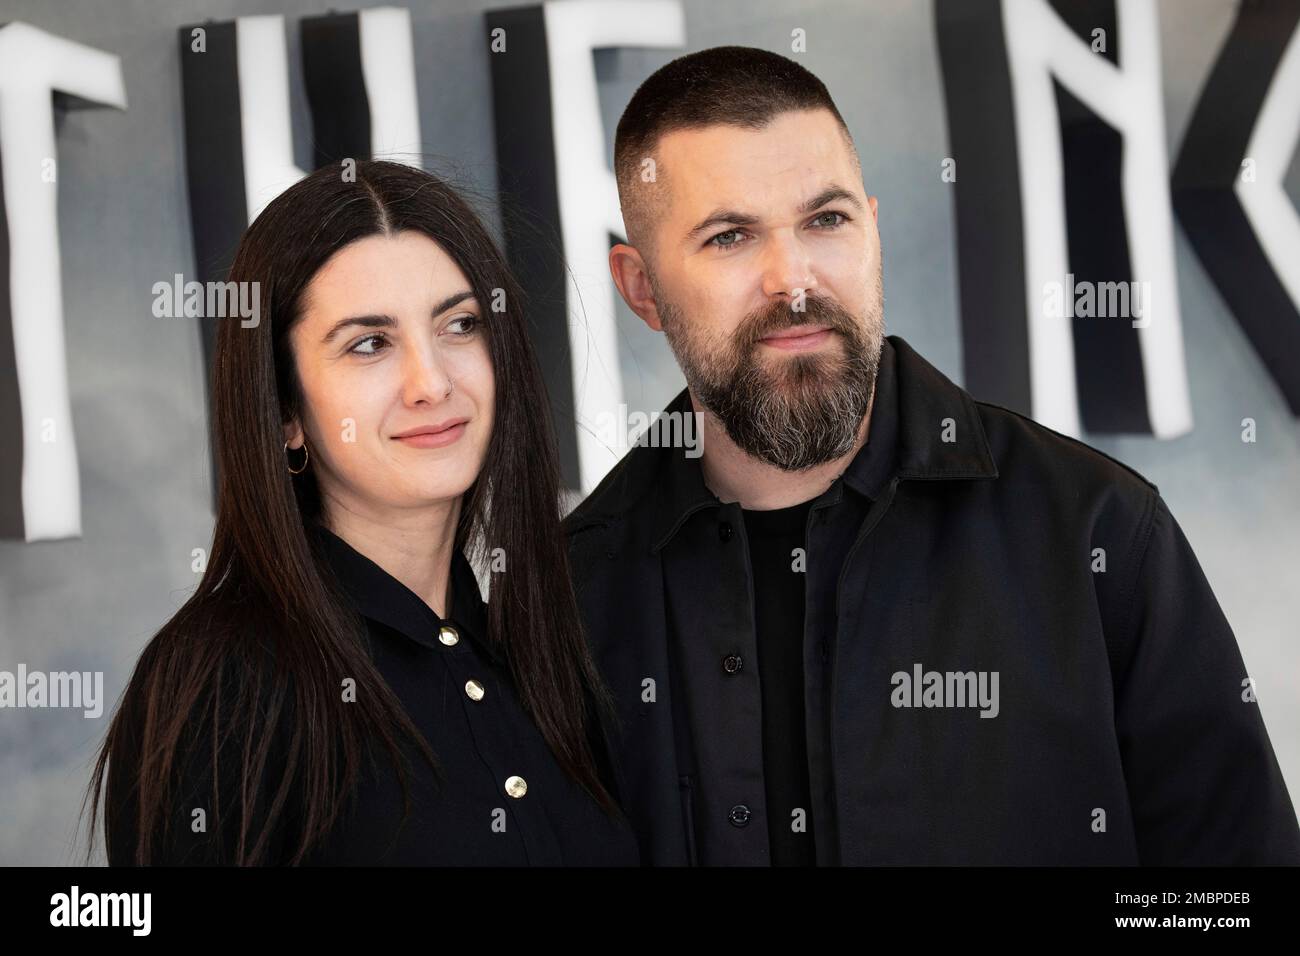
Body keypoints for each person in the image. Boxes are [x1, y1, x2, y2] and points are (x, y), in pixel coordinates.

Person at [564, 45, 1300, 865]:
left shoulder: (1095, 533)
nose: (794, 279)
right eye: (731, 236)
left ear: (872, 231)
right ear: (640, 289)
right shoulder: (568, 597)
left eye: (826, 220)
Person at [86, 160, 637, 865]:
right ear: (285, 412)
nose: (431, 381)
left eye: (460, 325)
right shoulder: (219, 684)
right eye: (369, 344)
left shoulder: (541, 651)